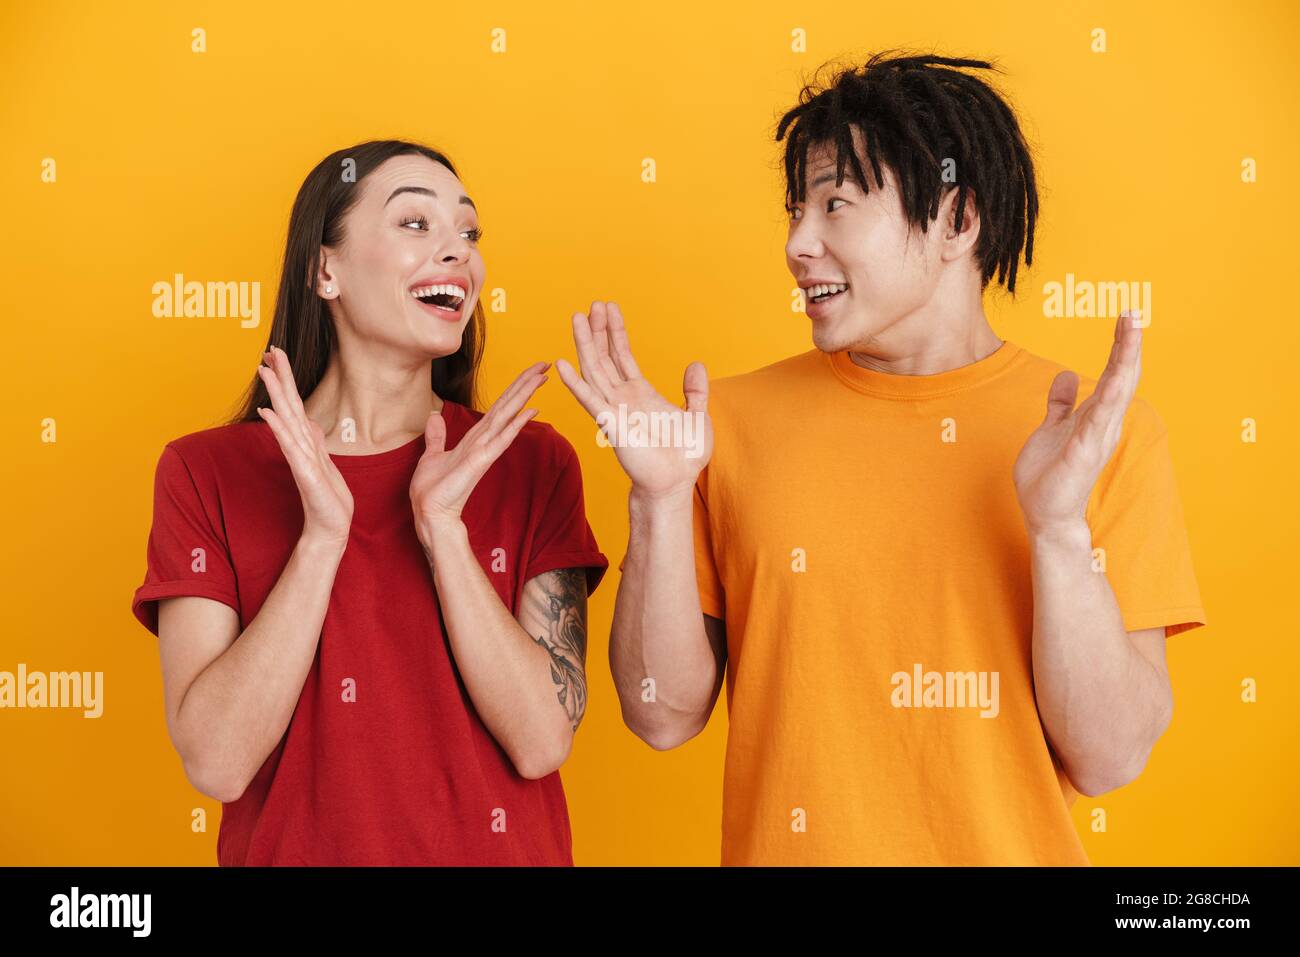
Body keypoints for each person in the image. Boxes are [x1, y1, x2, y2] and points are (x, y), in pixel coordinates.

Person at [555, 52, 1206, 865]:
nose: (797, 243)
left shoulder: (1097, 437)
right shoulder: (721, 426)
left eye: (836, 204)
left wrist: (1059, 530)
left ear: (957, 220)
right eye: (796, 209)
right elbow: (660, 716)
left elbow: (1111, 759)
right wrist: (657, 498)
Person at [130, 139, 608, 866]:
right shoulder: (206, 473)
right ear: (326, 268)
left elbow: (543, 741)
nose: (458, 251)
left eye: (469, 233)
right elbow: (218, 761)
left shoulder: (531, 464)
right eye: (416, 224)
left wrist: (443, 531)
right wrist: (321, 537)